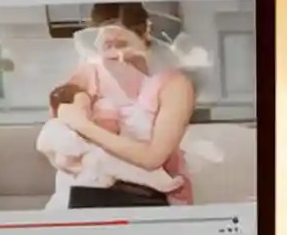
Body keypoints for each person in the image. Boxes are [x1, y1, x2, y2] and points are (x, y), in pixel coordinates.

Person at [52, 2, 196, 208]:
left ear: (145, 31)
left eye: (122, 44)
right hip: (86, 189)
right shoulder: (89, 73)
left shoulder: (174, 85)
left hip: (149, 194)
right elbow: (58, 126)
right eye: (107, 46)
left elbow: (152, 158)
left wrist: (85, 126)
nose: (115, 56)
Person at [35, 83, 185, 210]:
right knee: (108, 159)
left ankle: (160, 182)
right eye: (82, 108)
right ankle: (161, 182)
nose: (87, 113)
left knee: (115, 161)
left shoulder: (88, 129)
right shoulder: (56, 127)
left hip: (95, 188)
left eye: (88, 109)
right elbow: (64, 149)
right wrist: (83, 132)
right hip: (71, 197)